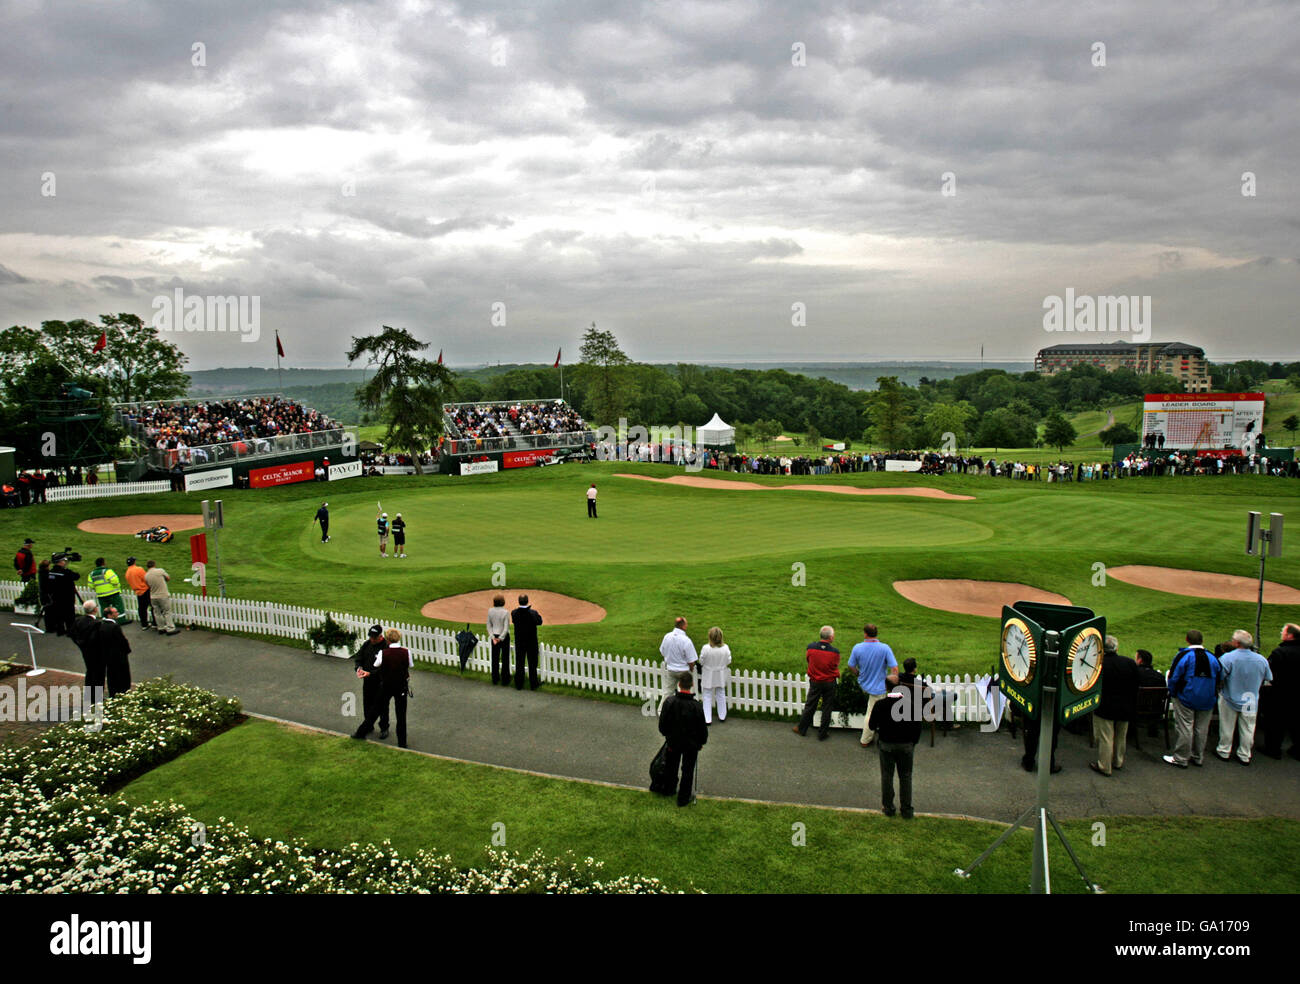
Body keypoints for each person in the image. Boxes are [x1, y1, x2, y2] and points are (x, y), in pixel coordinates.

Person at [1163, 629, 1221, 768]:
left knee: (1185, 727)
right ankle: (1198, 756)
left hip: (1187, 696)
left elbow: (1174, 676)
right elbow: (1220, 676)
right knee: (1201, 728)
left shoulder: (1184, 655)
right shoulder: (1212, 657)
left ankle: (1181, 757)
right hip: (1207, 697)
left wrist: (1173, 691)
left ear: (1187, 639)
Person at [869, 680, 925, 818]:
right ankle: (906, 809)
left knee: (887, 776)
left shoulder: (880, 705)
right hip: (906, 745)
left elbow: (871, 725)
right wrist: (913, 743)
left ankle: (888, 807)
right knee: (906, 777)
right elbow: (918, 727)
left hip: (886, 744)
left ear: (886, 687)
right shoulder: (911, 705)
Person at [1216, 629, 1272, 765]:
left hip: (1230, 697)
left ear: (1236, 643)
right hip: (1250, 698)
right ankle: (1245, 753)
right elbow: (1268, 678)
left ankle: (1224, 750)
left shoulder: (1228, 658)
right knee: (1248, 728)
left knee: (1227, 726)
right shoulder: (1261, 660)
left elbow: (1221, 677)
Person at [352, 628, 412, 747]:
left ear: (387, 640)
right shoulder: (406, 652)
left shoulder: (383, 653)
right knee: (401, 716)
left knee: (375, 710)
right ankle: (402, 743)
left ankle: (361, 733)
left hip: (386, 685)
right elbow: (409, 665)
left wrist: (369, 673)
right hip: (401, 686)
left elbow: (376, 666)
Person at [657, 671, 708, 807]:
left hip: (673, 741)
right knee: (688, 770)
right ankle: (683, 798)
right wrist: (701, 742)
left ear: (679, 684)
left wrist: (667, 735)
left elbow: (662, 724)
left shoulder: (670, 702)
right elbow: (702, 728)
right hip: (691, 744)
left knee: (671, 766)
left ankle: (669, 789)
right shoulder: (696, 706)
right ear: (691, 685)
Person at [1090, 635, 1138, 777]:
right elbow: (1136, 684)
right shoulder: (1129, 663)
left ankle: (1104, 765)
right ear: (1116, 648)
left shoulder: (1099, 664)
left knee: (1106, 736)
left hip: (1105, 705)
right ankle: (1118, 760)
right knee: (1121, 735)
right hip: (1125, 705)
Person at [846, 624, 898, 746]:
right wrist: (892, 684)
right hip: (878, 688)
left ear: (865, 634)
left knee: (873, 712)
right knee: (872, 714)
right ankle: (866, 739)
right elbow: (894, 669)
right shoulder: (884, 648)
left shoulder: (857, 647)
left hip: (863, 683)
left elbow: (851, 665)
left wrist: (858, 674)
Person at [1262, 623, 1300, 760]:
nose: (1281, 633)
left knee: (1275, 723)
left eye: (1283, 631)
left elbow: (1269, 673)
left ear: (1289, 635)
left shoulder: (1280, 652)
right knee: (1296, 723)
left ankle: (1273, 749)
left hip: (1280, 694)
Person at [794, 626, 839, 740]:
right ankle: (822, 733)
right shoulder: (835, 652)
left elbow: (808, 660)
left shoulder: (810, 648)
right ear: (831, 637)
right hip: (829, 681)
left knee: (810, 705)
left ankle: (802, 728)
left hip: (815, 681)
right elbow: (835, 665)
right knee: (827, 707)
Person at [353, 624, 389, 740]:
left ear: (380, 636)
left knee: (382, 706)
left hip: (380, 682)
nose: (372, 639)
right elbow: (359, 657)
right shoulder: (367, 644)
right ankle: (368, 725)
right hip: (367, 680)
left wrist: (371, 673)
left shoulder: (385, 647)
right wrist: (358, 668)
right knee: (367, 703)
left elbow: (384, 668)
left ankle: (384, 727)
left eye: (374, 637)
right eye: (371, 637)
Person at [71, 599, 105, 703]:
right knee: (98, 675)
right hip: (96, 652)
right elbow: (98, 639)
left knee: (90, 672)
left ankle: (89, 695)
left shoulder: (78, 621)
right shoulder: (96, 624)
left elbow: (72, 634)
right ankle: (97, 698)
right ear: (95, 610)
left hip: (85, 651)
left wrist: (80, 644)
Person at [697, 626, 732, 724]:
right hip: (720, 674)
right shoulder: (725, 648)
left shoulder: (706, 648)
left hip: (708, 674)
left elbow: (701, 661)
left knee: (707, 695)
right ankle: (722, 716)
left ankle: (707, 719)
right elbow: (729, 660)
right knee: (721, 693)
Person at [98, 605, 133, 698]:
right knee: (123, 675)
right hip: (119, 655)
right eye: (115, 612)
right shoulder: (114, 626)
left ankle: (113, 693)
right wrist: (127, 650)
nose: (118, 613)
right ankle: (124, 692)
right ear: (110, 615)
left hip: (108, 656)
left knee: (111, 676)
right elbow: (122, 640)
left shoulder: (101, 625)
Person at [510, 594, 544, 690]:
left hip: (520, 641)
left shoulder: (514, 613)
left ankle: (519, 683)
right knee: (532, 663)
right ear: (527, 601)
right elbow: (540, 621)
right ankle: (533, 683)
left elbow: (514, 620)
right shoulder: (532, 613)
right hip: (531, 642)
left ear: (519, 601)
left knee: (519, 662)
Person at [658, 616, 697, 696]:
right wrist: (692, 669)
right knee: (685, 693)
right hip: (683, 671)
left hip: (671, 669)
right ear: (683, 626)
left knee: (668, 692)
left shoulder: (667, 636)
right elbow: (691, 661)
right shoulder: (686, 640)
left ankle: (662, 708)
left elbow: (662, 652)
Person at [45, 554, 81, 637]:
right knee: (69, 615)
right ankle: (70, 631)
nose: (65, 562)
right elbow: (76, 576)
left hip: (55, 597)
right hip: (67, 597)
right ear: (60, 562)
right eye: (64, 561)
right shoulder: (65, 572)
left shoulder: (51, 572)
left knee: (58, 615)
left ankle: (60, 630)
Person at [89, 557, 128, 624]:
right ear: (103, 563)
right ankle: (121, 620)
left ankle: (105, 620)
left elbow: (91, 585)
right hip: (112, 593)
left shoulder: (91, 574)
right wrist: (117, 586)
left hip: (101, 594)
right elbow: (115, 580)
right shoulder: (107, 571)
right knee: (118, 606)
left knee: (104, 608)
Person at [144, 561, 179, 635]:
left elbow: (147, 585)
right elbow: (168, 578)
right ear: (154, 565)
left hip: (153, 596)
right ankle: (170, 628)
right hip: (162, 595)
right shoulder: (160, 571)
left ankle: (161, 628)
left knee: (157, 612)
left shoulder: (146, 575)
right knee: (167, 611)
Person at [487, 594, 512, 686]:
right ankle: (505, 679)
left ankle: (495, 678)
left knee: (495, 657)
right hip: (504, 637)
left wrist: (493, 637)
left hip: (494, 635)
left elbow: (488, 626)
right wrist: (500, 638)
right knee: (505, 658)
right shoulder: (505, 612)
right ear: (503, 602)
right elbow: (506, 628)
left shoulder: (490, 611)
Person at [124, 556, 153, 629]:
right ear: (134, 562)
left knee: (142, 609)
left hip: (138, 592)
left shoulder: (127, 573)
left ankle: (144, 624)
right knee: (153, 606)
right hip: (145, 590)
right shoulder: (138, 569)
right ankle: (155, 623)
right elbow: (146, 578)